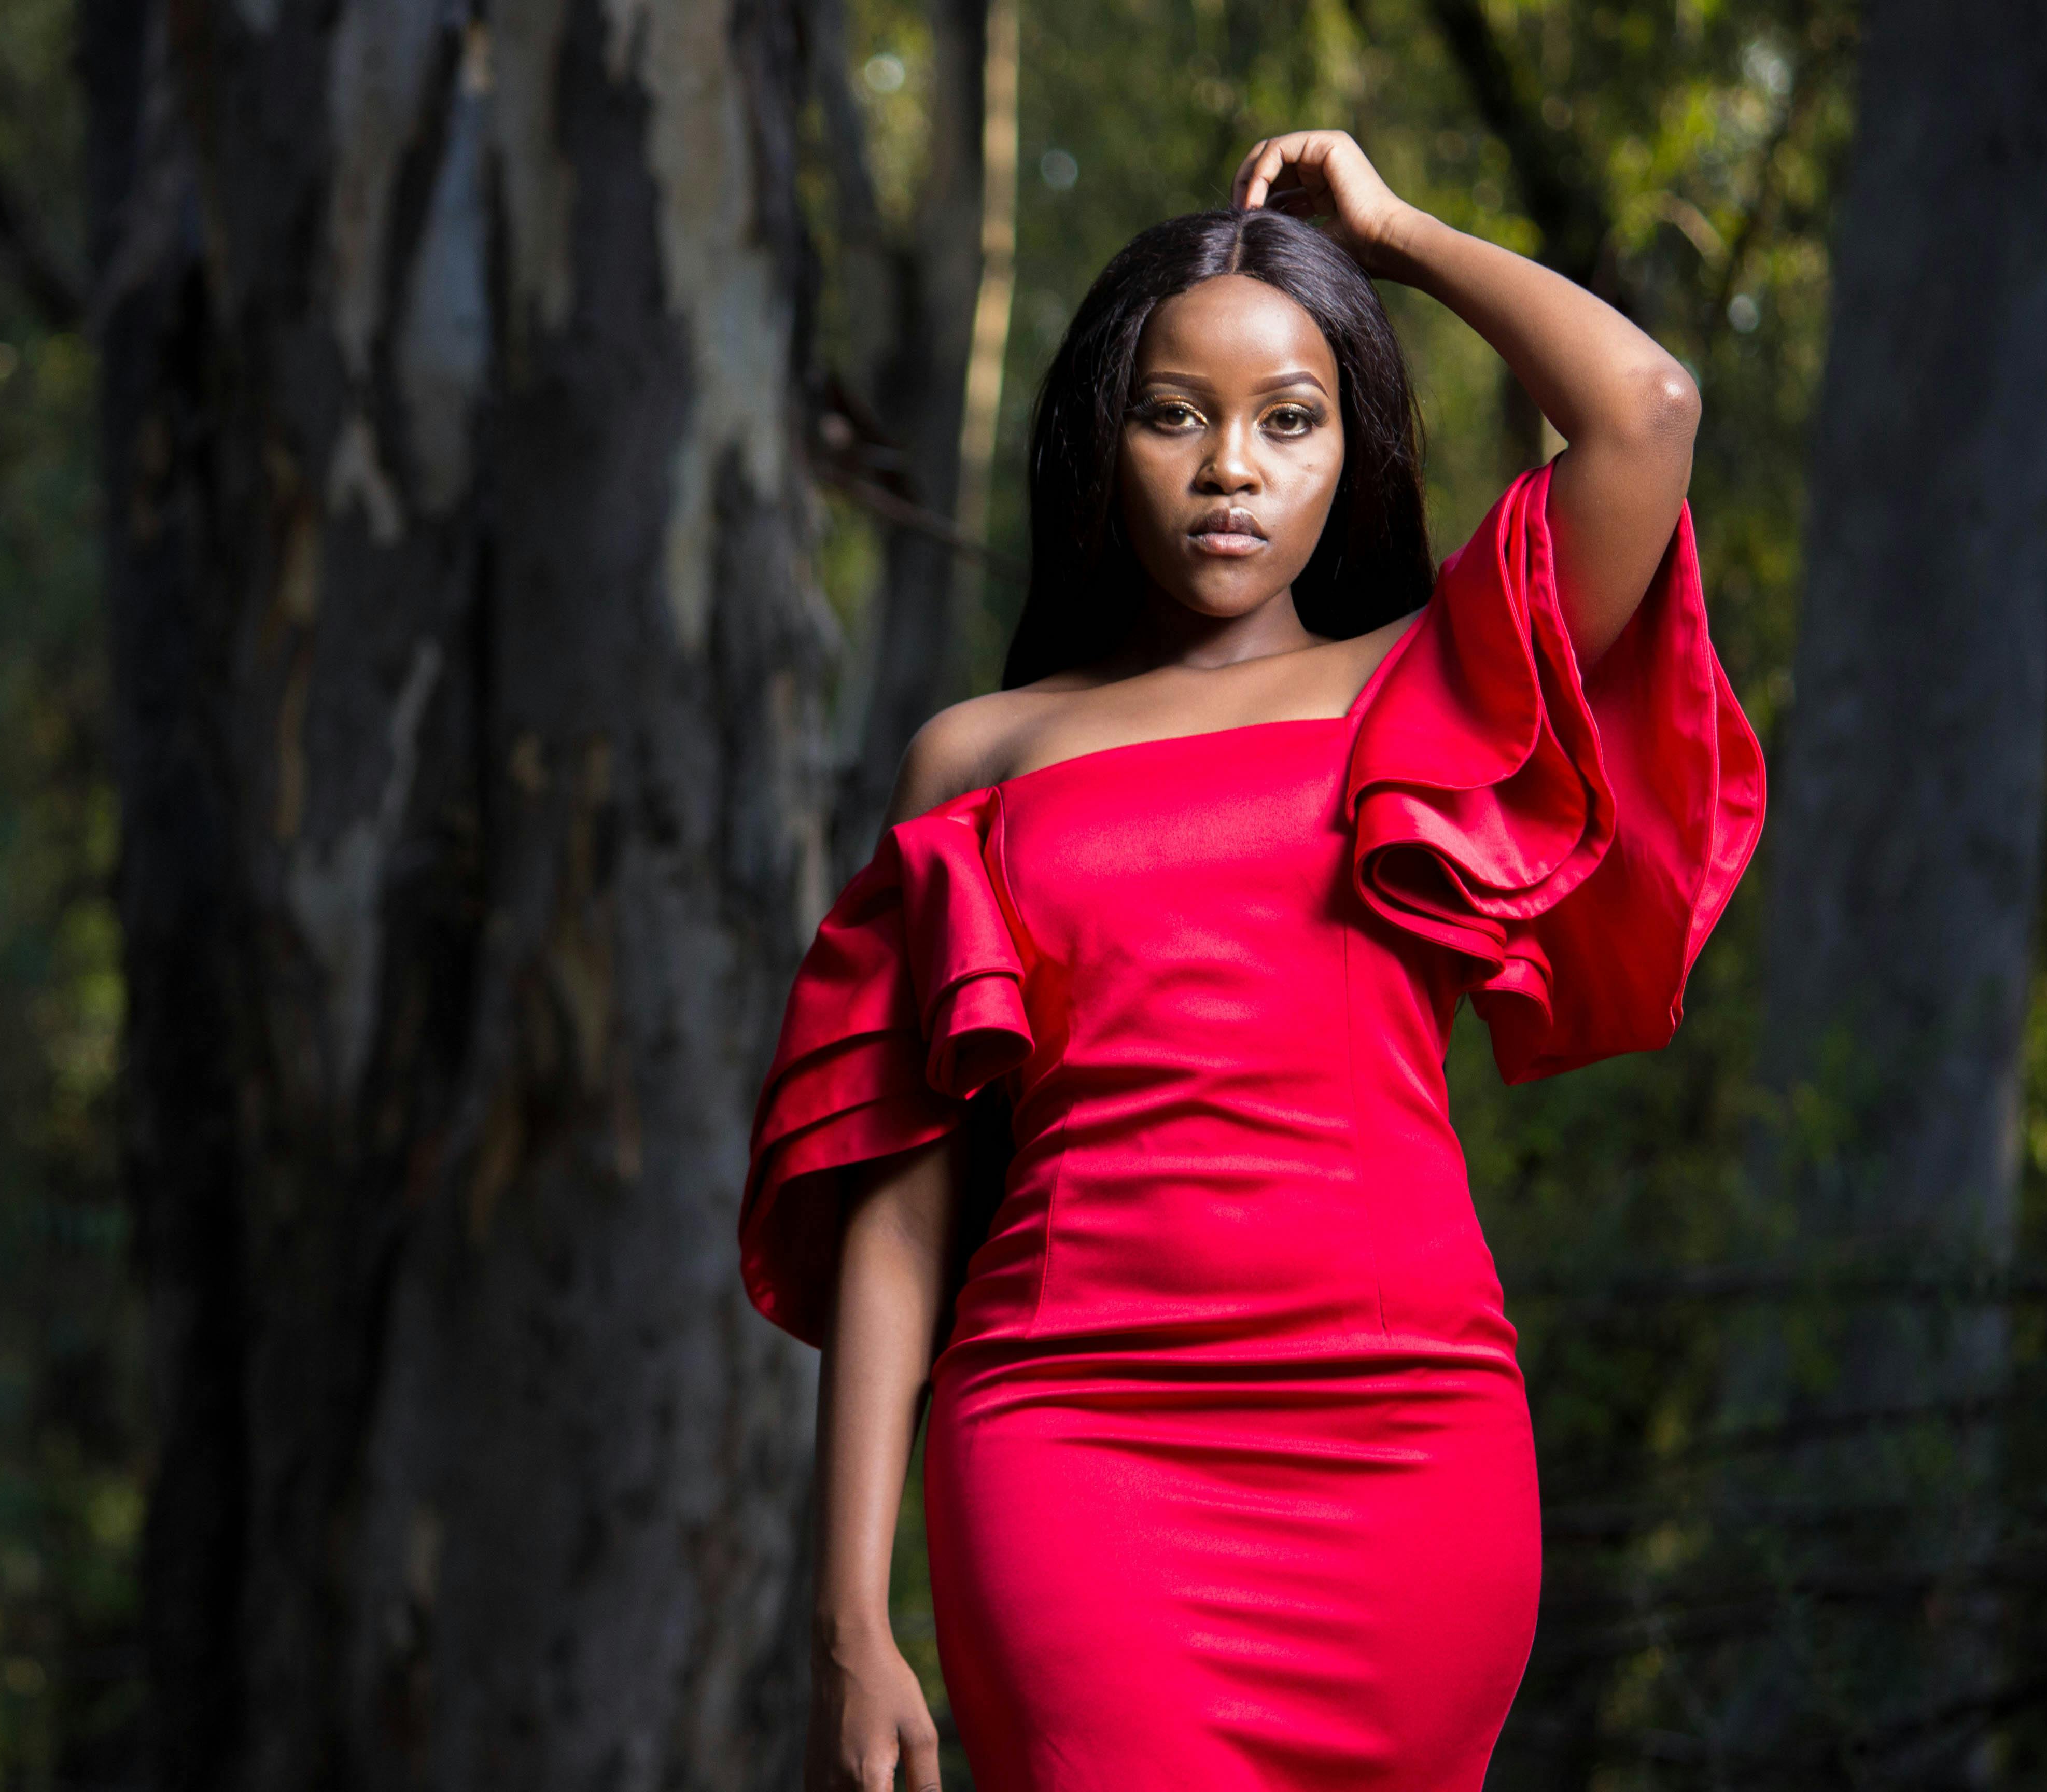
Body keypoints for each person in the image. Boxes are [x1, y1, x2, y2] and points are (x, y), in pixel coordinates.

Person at [738, 130, 1765, 1790]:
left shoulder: (1426, 686)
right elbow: (896, 1207)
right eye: (1176, 413)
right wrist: (849, 1614)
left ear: (1350, 451)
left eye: (1291, 418)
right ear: (1104, 439)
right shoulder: (981, 761)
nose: (1232, 465)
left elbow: (1646, 411)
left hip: (1409, 1445)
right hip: (1072, 1439)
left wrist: (1398, 234)